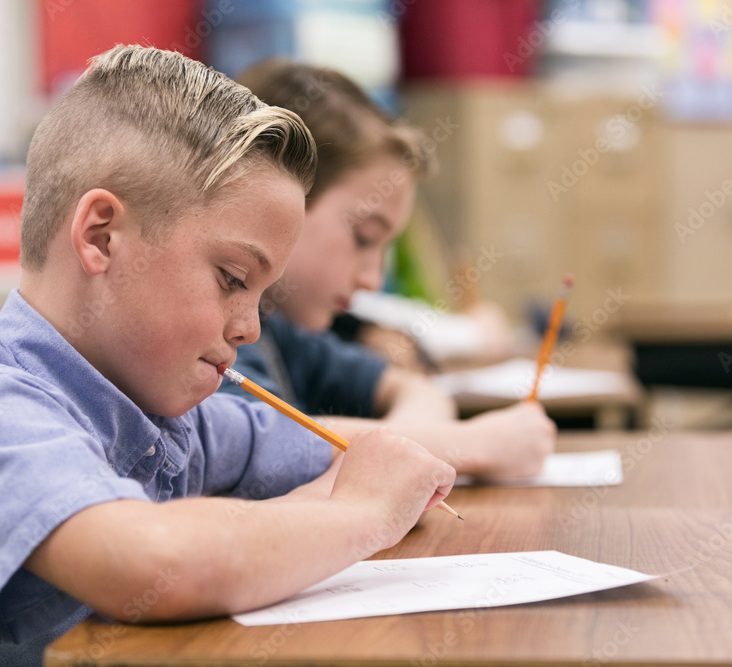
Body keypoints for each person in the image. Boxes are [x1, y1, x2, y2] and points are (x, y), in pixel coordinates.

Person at [0, 46, 457, 666]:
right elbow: (150, 565)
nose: (250, 329)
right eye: (234, 279)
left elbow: (321, 443)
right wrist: (362, 513)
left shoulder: (151, 410)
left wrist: (450, 454)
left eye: (262, 296)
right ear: (101, 237)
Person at [217, 60, 556, 481]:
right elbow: (262, 446)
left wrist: (403, 442)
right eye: (363, 238)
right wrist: (474, 445)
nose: (372, 280)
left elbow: (416, 389)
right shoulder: (220, 333)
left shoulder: (278, 330)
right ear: (282, 205)